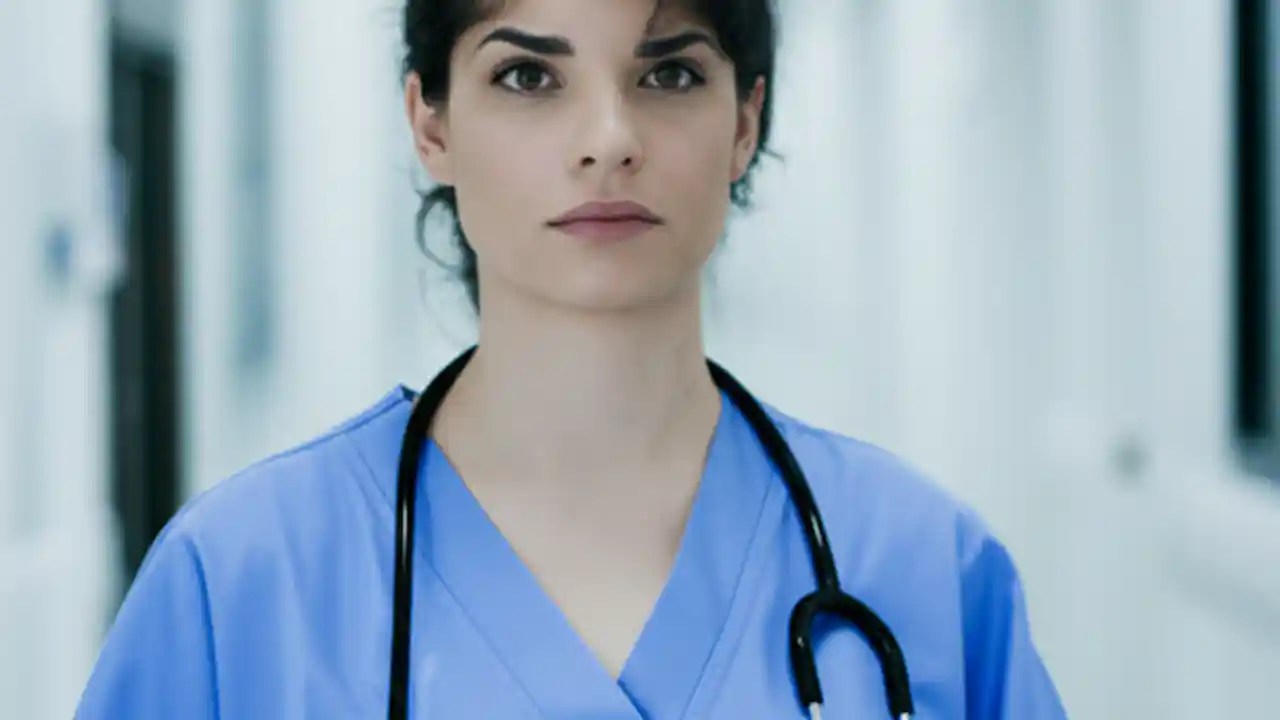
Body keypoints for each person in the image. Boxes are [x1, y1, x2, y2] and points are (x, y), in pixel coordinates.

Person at [76, 0, 1068, 717]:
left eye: (669, 73)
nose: (607, 139)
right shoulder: (241, 581)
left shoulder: (922, 564)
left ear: (744, 122)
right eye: (527, 76)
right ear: (430, 123)